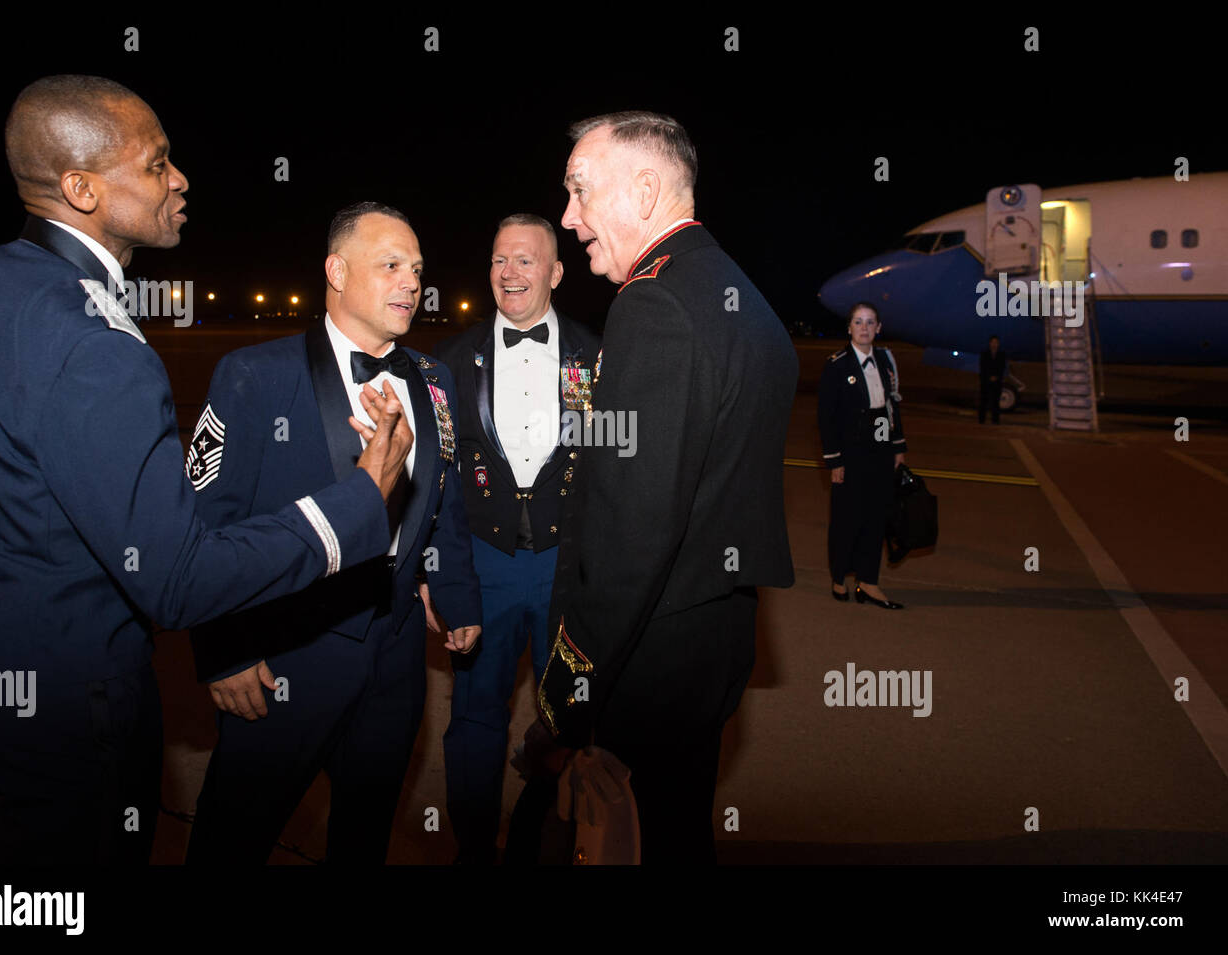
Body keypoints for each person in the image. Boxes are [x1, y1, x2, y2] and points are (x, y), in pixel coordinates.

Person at [0, 77, 412, 865]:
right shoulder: (95, 343)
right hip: (66, 721)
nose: (181, 178)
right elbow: (177, 577)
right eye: (156, 165)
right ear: (82, 188)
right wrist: (356, 502)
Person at [525, 111, 797, 863]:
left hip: (643, 667)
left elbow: (629, 534)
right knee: (678, 829)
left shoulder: (655, 305)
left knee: (620, 838)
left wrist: (565, 697)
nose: (569, 217)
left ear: (645, 189)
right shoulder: (734, 294)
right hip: (706, 649)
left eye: (581, 191)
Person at [185, 203, 482, 864]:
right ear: (337, 271)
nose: (412, 282)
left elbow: (444, 496)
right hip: (286, 655)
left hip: (397, 660)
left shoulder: (434, 381)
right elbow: (208, 525)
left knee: (364, 838)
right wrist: (224, 651)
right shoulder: (254, 376)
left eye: (417, 269)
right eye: (391, 265)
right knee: (231, 840)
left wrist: (455, 593)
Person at [436, 214, 600, 864]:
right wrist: (442, 577)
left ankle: (548, 832)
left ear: (556, 272)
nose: (509, 272)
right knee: (476, 714)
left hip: (568, 566)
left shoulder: (595, 357)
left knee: (572, 710)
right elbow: (439, 484)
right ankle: (475, 843)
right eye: (500, 260)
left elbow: (614, 464)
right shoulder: (453, 360)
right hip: (486, 563)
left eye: (525, 260)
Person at [818, 302, 907, 609]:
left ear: (878, 328)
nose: (865, 328)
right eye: (859, 322)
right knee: (846, 518)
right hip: (851, 451)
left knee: (875, 518)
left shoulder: (886, 360)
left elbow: (893, 405)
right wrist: (835, 460)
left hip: (881, 449)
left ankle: (868, 582)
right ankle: (839, 576)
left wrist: (898, 446)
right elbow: (826, 417)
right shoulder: (836, 364)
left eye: (870, 322)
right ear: (849, 328)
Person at [979, 334, 1007, 424]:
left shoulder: (1002, 355)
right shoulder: (984, 354)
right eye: (993, 342)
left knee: (995, 402)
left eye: (996, 342)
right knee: (984, 401)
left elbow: (1002, 367)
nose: (994, 344)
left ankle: (995, 421)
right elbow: (982, 367)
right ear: (989, 343)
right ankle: (981, 420)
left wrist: (997, 377)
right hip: (986, 381)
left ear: (998, 344)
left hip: (997, 382)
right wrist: (988, 377)